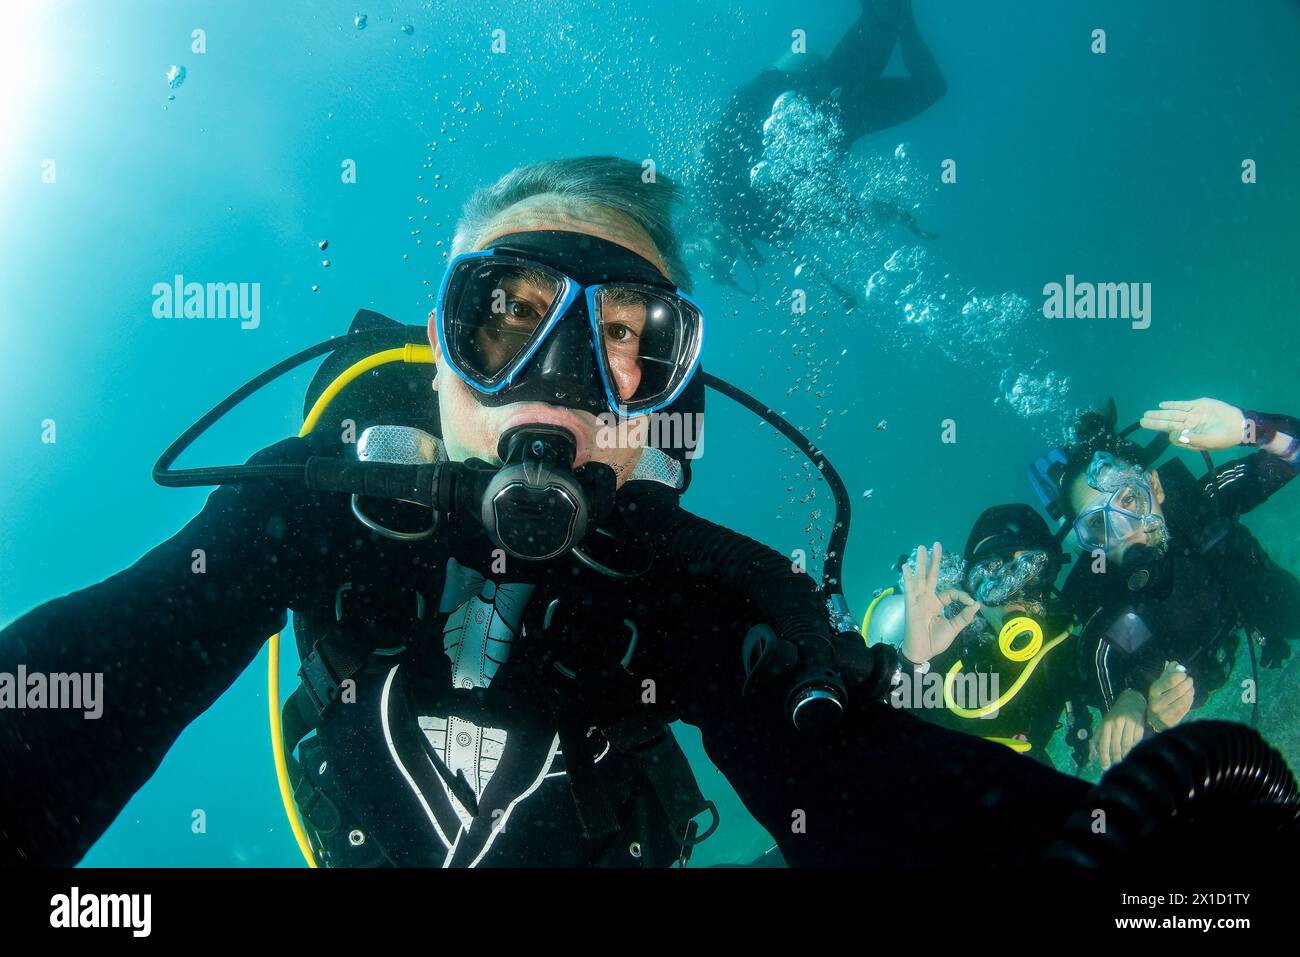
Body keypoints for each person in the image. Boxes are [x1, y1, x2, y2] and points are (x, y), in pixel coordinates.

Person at [1, 156, 1096, 868]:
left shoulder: (682, 591)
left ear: (668, 395)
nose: (560, 376)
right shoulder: (313, 510)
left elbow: (856, 779)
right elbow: (100, 669)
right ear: (437, 356)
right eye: (508, 317)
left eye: (627, 338)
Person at [1039, 397, 1300, 770]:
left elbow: (1294, 454)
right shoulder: (1106, 610)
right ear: (1087, 542)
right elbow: (1125, 737)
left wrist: (1248, 428)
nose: (1125, 530)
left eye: (1129, 499)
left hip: (1262, 604)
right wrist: (1142, 712)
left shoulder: (1202, 506)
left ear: (1156, 487)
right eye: (1099, 524)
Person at [688, 0, 947, 294]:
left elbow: (741, 110)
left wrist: (797, 88)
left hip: (826, 92)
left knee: (886, 16)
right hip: (846, 120)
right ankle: (902, 16)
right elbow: (827, 211)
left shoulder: (712, 185)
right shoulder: (760, 228)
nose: (721, 265)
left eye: (706, 263)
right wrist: (883, 214)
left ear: (696, 238)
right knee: (925, 76)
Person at [865, 506, 1086, 765]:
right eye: (989, 573)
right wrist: (913, 663)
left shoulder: (1064, 652)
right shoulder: (944, 649)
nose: (1010, 590)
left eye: (1029, 571)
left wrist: (1135, 695)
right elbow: (878, 741)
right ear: (969, 587)